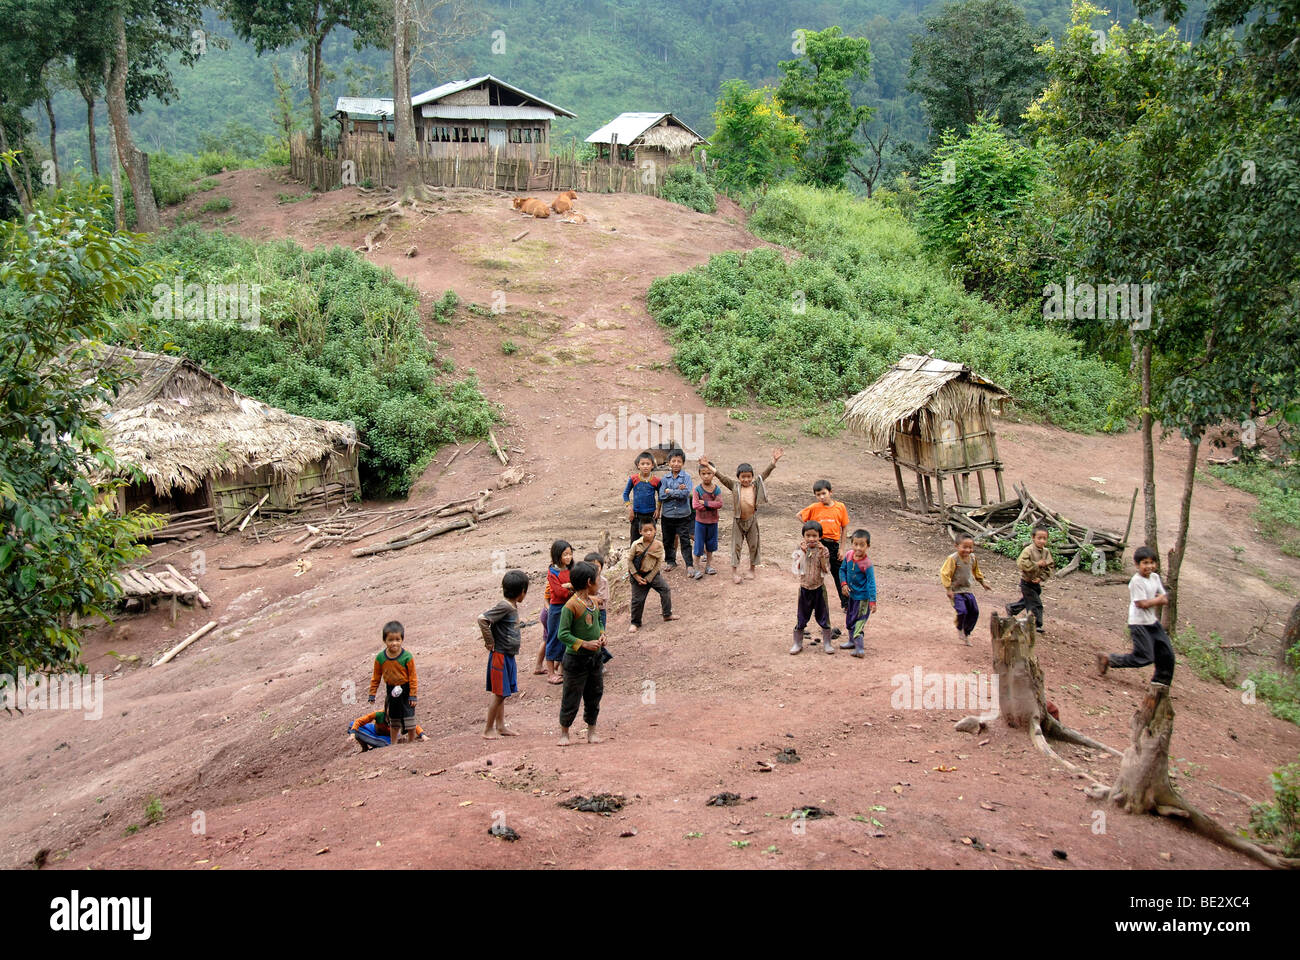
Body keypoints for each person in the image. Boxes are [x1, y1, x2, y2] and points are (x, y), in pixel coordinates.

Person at [698, 447, 784, 583]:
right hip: (738, 521)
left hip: (752, 520)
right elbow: (721, 476)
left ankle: (752, 569)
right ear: (738, 477)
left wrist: (773, 461)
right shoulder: (734, 486)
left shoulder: (755, 485)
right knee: (736, 546)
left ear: (752, 477)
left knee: (754, 545)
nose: (746, 479)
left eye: (748, 476)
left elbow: (765, 474)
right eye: (743, 477)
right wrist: (708, 465)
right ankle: (734, 572)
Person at [1096, 546, 1175, 685]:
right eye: (1145, 563)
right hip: (1138, 623)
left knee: (1166, 652)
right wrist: (1158, 600)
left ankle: (1161, 682)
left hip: (1151, 621)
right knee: (1145, 656)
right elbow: (1142, 604)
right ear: (1137, 565)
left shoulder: (1155, 577)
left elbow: (1164, 597)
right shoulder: (1136, 581)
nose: (1149, 566)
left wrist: (1157, 600)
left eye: (1152, 562)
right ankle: (1110, 659)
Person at [557, 561, 608, 746]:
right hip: (575, 660)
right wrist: (584, 644)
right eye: (597, 580)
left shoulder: (592, 603)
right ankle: (564, 732)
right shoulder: (570, 607)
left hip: (595, 658)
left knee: (595, 694)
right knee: (571, 696)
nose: (599, 583)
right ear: (588, 582)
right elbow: (562, 634)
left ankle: (591, 730)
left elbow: (598, 623)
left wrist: (602, 635)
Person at [478, 569, 529, 739]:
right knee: (498, 693)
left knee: (502, 692)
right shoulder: (504, 606)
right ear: (522, 591)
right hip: (499, 655)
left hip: (507, 655)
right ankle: (488, 729)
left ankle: (500, 726)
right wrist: (489, 642)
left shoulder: (511, 606)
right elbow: (482, 619)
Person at [799, 480, 851, 610]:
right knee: (814, 574)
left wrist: (842, 548)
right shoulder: (814, 507)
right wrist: (811, 530)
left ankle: (846, 604)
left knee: (840, 574)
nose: (821, 497)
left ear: (830, 492)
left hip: (834, 545)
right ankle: (812, 604)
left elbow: (844, 527)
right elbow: (799, 515)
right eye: (818, 495)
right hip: (818, 544)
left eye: (824, 493)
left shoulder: (840, 507)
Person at [367, 621, 419, 742]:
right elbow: (376, 677)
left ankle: (412, 742)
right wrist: (372, 693)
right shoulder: (380, 658)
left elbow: (413, 677)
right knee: (394, 717)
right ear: (385, 640)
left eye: (397, 639)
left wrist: (413, 695)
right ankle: (393, 744)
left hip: (406, 690)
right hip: (391, 690)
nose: (394, 643)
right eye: (390, 640)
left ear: (402, 640)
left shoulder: (407, 657)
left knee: (409, 717)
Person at [790, 521, 834, 655]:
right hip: (804, 588)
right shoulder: (799, 549)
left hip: (819, 588)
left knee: (824, 615)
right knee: (802, 616)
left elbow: (826, 570)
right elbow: (797, 569)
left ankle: (827, 643)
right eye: (808, 536)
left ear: (820, 537)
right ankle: (797, 643)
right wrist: (803, 553)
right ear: (804, 536)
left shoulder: (824, 550)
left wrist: (820, 556)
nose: (811, 539)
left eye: (814, 536)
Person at [628, 519, 677, 632]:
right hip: (638, 575)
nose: (648, 533)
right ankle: (635, 622)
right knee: (637, 600)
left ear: (655, 530)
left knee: (665, 589)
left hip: (652, 574)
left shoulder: (659, 545)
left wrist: (649, 578)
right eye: (645, 530)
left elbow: (658, 563)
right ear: (640, 532)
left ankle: (667, 614)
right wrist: (636, 576)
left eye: (651, 530)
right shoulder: (636, 545)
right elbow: (629, 561)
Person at [940, 534, 990, 645]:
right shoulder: (953, 559)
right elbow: (945, 574)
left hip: (967, 589)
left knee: (974, 611)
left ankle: (967, 632)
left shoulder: (972, 558)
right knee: (962, 611)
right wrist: (948, 589)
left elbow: (976, 571)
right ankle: (959, 627)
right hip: (956, 591)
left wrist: (983, 583)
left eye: (970, 547)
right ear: (957, 546)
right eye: (965, 547)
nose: (968, 550)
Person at [838, 528, 877, 657]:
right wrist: (843, 584)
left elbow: (871, 583)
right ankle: (851, 641)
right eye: (855, 544)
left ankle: (859, 648)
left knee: (859, 621)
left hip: (863, 598)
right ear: (852, 543)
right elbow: (842, 570)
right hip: (852, 596)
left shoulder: (867, 564)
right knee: (850, 619)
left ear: (868, 546)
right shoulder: (849, 555)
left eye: (862, 545)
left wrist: (872, 601)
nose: (858, 548)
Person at [1007, 524, 1053, 633]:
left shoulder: (1046, 552)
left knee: (1029, 600)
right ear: (1033, 538)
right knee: (1036, 604)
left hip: (1036, 583)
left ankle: (1012, 608)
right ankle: (1036, 624)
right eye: (1039, 538)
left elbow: (1050, 566)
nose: (1042, 541)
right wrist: (1037, 564)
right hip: (1026, 582)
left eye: (1044, 539)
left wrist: (1041, 578)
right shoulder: (1028, 550)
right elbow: (1021, 563)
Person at [658, 449, 694, 575]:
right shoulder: (665, 478)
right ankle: (670, 561)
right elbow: (661, 495)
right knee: (668, 540)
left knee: (685, 540)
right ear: (669, 463)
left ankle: (689, 565)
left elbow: (686, 494)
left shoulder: (687, 477)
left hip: (683, 515)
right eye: (673, 461)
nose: (676, 463)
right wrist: (676, 491)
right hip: (667, 514)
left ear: (683, 463)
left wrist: (670, 492)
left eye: (679, 461)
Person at [542, 540, 574, 685]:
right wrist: (572, 587)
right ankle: (550, 673)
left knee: (567, 637)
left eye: (570, 554)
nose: (568, 557)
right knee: (553, 637)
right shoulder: (552, 572)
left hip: (570, 607)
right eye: (565, 554)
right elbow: (559, 592)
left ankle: (562, 669)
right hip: (557, 609)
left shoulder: (571, 569)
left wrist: (569, 586)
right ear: (557, 556)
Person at [690, 462, 725, 579]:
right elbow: (695, 505)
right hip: (700, 522)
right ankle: (696, 568)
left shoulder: (717, 489)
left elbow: (719, 504)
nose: (706, 476)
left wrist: (705, 503)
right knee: (698, 546)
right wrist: (711, 505)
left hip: (713, 522)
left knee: (711, 545)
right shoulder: (697, 489)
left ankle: (708, 566)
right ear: (700, 474)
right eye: (703, 473)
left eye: (709, 473)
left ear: (713, 474)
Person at [622, 451, 661, 543]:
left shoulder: (656, 481)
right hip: (636, 515)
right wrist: (630, 509)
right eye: (642, 464)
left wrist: (658, 510)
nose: (645, 466)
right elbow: (625, 494)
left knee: (649, 540)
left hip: (651, 515)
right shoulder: (633, 479)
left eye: (648, 464)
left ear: (652, 465)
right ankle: (635, 557)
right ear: (638, 465)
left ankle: (649, 557)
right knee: (635, 541)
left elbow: (661, 496)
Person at [347, 709, 426, 751]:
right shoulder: (379, 714)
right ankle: (365, 748)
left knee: (387, 743)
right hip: (373, 730)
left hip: (388, 738)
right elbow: (359, 721)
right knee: (352, 725)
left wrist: (423, 736)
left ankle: (377, 744)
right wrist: (353, 734)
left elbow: (414, 726)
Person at [584, 551, 614, 664]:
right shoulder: (584, 581)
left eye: (597, 566)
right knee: (590, 635)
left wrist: (587, 597)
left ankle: (600, 660)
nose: (594, 569)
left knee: (599, 635)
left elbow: (601, 600)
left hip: (599, 612)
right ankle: (599, 659)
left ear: (602, 566)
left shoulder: (603, 581)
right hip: (586, 611)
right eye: (590, 566)